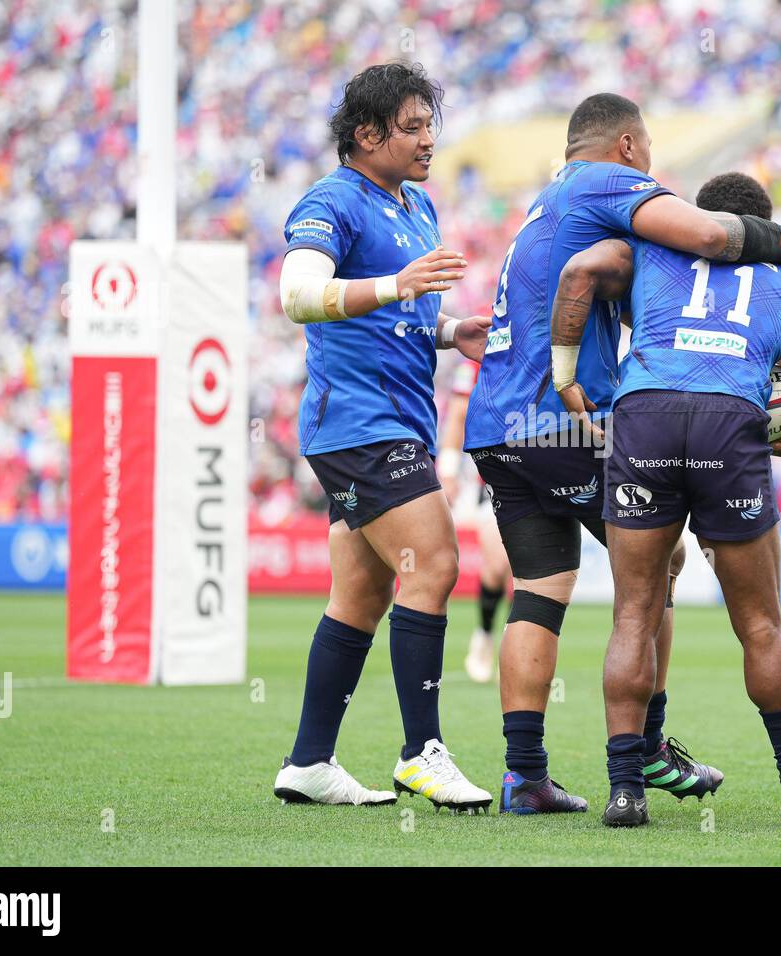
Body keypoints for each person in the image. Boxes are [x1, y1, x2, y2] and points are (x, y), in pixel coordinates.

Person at [464, 93, 781, 815]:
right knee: (658, 567)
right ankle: (646, 749)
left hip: (498, 425)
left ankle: (524, 775)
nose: (654, 172)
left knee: (542, 587)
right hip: (564, 418)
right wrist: (776, 244)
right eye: (648, 155)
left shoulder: (545, 202)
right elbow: (711, 237)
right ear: (626, 144)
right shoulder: (608, 183)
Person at [551, 171, 781, 827]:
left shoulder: (649, 254)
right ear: (762, 228)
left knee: (634, 614)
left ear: (701, 220)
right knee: (760, 624)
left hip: (646, 418)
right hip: (731, 427)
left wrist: (565, 377)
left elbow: (579, 272)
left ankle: (624, 793)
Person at [272, 62, 493, 812]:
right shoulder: (332, 200)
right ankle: (420, 751)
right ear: (366, 135)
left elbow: (390, 315)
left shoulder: (417, 205)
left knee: (361, 594)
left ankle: (308, 761)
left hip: (396, 419)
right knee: (434, 560)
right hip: (359, 424)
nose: (430, 138)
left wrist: (447, 329)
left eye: (431, 123)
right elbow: (299, 295)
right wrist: (400, 286)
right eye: (413, 126)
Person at [438, 358, 511, 682]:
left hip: (544, 471)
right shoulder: (483, 347)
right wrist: (450, 469)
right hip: (495, 477)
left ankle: (518, 653)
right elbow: (458, 412)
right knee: (496, 568)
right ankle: (484, 634)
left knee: (531, 574)